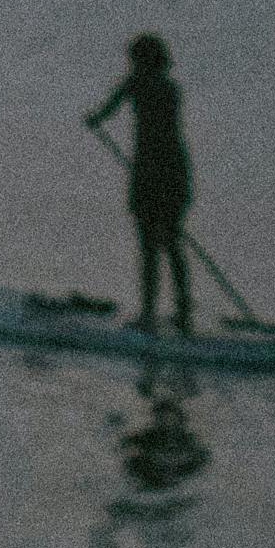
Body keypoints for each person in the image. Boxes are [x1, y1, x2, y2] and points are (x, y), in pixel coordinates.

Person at [84, 32, 196, 333]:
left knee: (156, 245)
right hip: (168, 174)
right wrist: (98, 117)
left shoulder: (147, 87)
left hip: (157, 176)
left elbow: (113, 107)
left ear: (145, 63)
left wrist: (96, 118)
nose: (131, 67)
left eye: (135, 62)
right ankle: (181, 313)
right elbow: (115, 106)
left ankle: (155, 315)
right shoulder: (166, 88)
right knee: (169, 243)